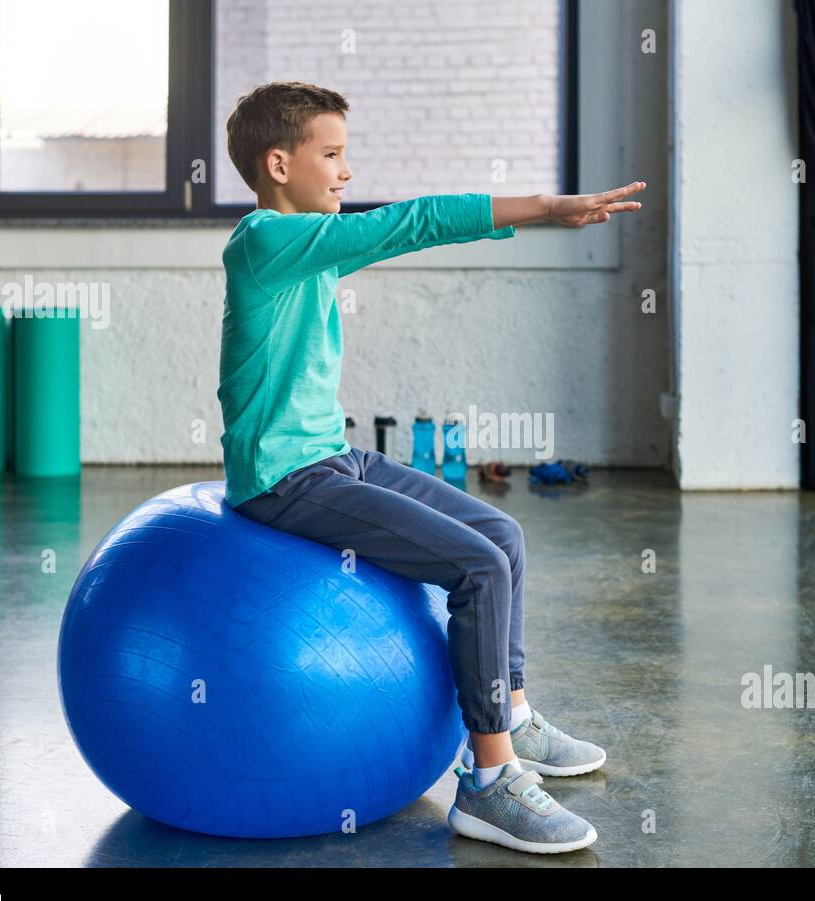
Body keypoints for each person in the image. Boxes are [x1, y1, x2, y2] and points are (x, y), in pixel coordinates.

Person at [218, 80, 645, 854]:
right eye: (333, 154)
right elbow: (408, 223)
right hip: (281, 477)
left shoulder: (305, 236)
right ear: (278, 163)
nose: (346, 172)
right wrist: (545, 207)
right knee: (476, 568)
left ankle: (509, 713)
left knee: (502, 532)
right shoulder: (265, 242)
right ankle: (486, 782)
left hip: (328, 454)